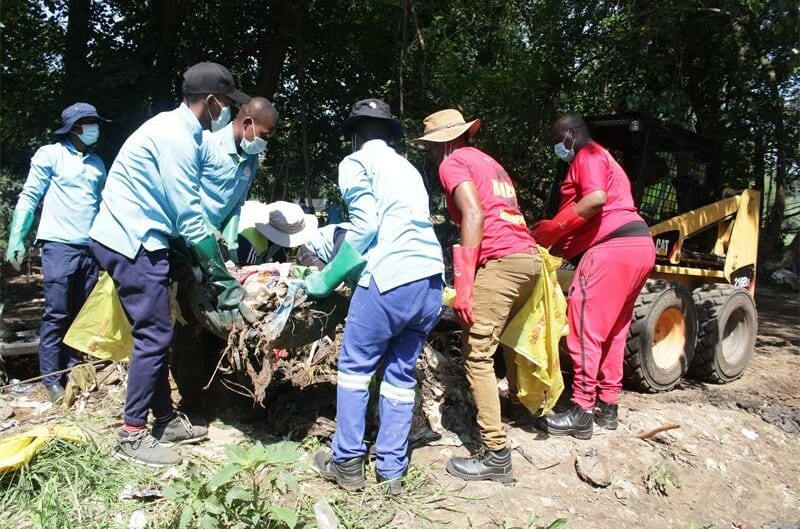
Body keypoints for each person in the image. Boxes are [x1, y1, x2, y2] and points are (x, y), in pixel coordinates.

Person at [88, 61, 250, 466]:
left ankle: (163, 418)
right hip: (132, 239)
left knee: (155, 331)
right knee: (155, 334)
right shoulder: (176, 137)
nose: (227, 111)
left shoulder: (182, 131)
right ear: (212, 101)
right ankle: (132, 435)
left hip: (137, 233)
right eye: (227, 104)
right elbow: (187, 212)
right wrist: (216, 269)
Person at [309, 99, 444, 495]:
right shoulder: (406, 168)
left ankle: (347, 461)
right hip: (430, 280)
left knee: (354, 368)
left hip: (391, 278)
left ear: (355, 134)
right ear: (389, 134)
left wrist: (326, 278)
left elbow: (366, 224)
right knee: (400, 376)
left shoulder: (355, 163)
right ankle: (391, 471)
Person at [414, 108, 540, 483]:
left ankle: (496, 454)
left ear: (447, 142)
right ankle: (508, 409)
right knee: (501, 343)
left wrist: (464, 283)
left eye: (433, 147)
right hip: (526, 259)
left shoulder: (453, 163)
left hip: (500, 260)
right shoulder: (488, 162)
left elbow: (473, 215)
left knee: (477, 356)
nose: (432, 154)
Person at [531, 113, 656, 440]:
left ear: (572, 133)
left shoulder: (588, 154)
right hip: (638, 246)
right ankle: (608, 406)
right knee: (615, 330)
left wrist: (551, 229)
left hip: (610, 250)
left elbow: (596, 200)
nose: (558, 146)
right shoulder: (608, 160)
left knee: (586, 328)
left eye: (558, 139)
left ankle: (581, 410)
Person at [5, 103, 109, 403]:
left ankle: (74, 368)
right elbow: (30, 195)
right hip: (58, 246)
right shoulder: (50, 155)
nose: (93, 128)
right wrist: (17, 236)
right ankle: (51, 378)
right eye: (88, 123)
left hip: (88, 248)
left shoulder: (97, 163)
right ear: (74, 127)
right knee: (57, 312)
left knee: (81, 314)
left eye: (94, 122)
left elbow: (103, 206)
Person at [199, 97, 279, 264]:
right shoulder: (207, 144)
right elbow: (185, 195)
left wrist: (230, 239)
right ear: (247, 123)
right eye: (264, 135)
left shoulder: (251, 160)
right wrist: (208, 230)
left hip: (218, 238)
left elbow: (237, 204)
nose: (264, 142)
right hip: (194, 233)